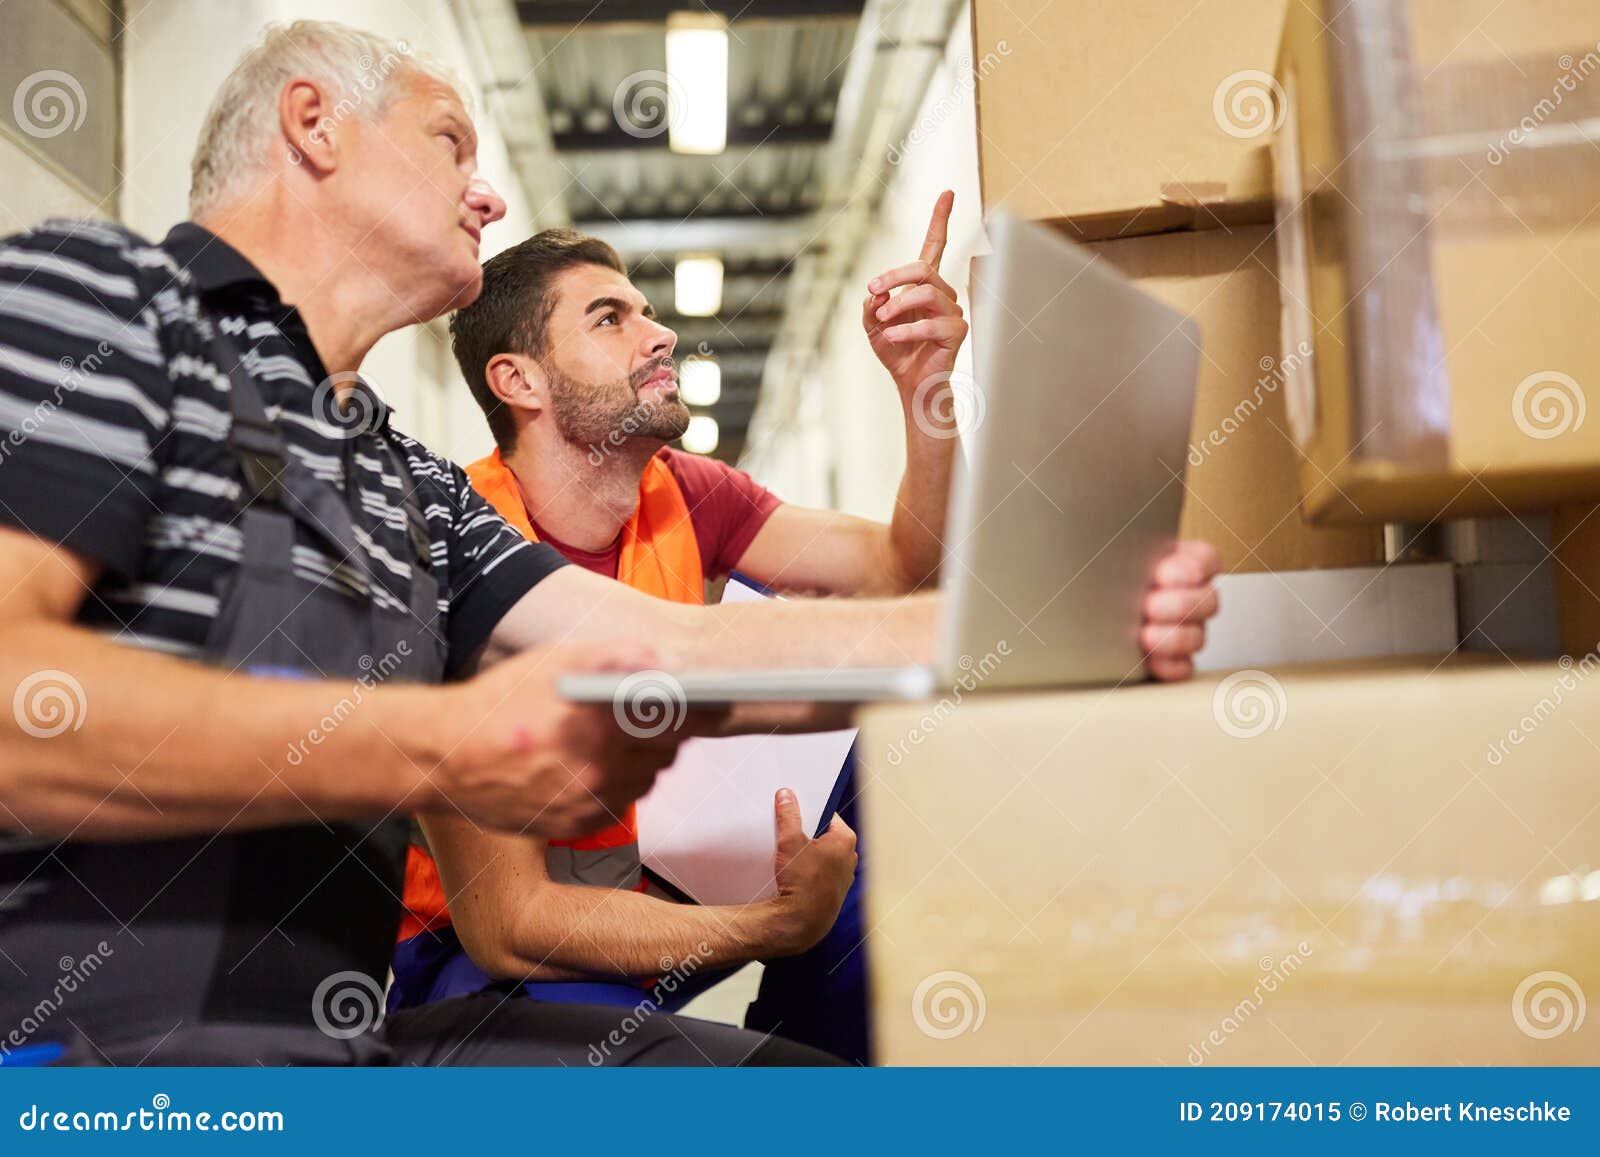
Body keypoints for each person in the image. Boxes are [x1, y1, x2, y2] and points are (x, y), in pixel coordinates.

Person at [0, 20, 1043, 1066]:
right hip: (81, 1063)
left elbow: (682, 649)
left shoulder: (408, 482)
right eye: (451, 143)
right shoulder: (104, 299)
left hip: (335, 1052)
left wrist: (1039, 619)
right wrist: (443, 739)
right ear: (314, 125)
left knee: (826, 1097)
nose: (490, 197)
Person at [388, 191, 1223, 1062]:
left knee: (876, 787)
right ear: (518, 381)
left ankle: (822, 1054)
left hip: (658, 875)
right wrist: (770, 925)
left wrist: (925, 388)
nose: (659, 333)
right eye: (610, 318)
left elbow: (902, 571)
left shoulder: (684, 490)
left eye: (645, 309)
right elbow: (513, 924)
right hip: (498, 949)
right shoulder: (467, 550)